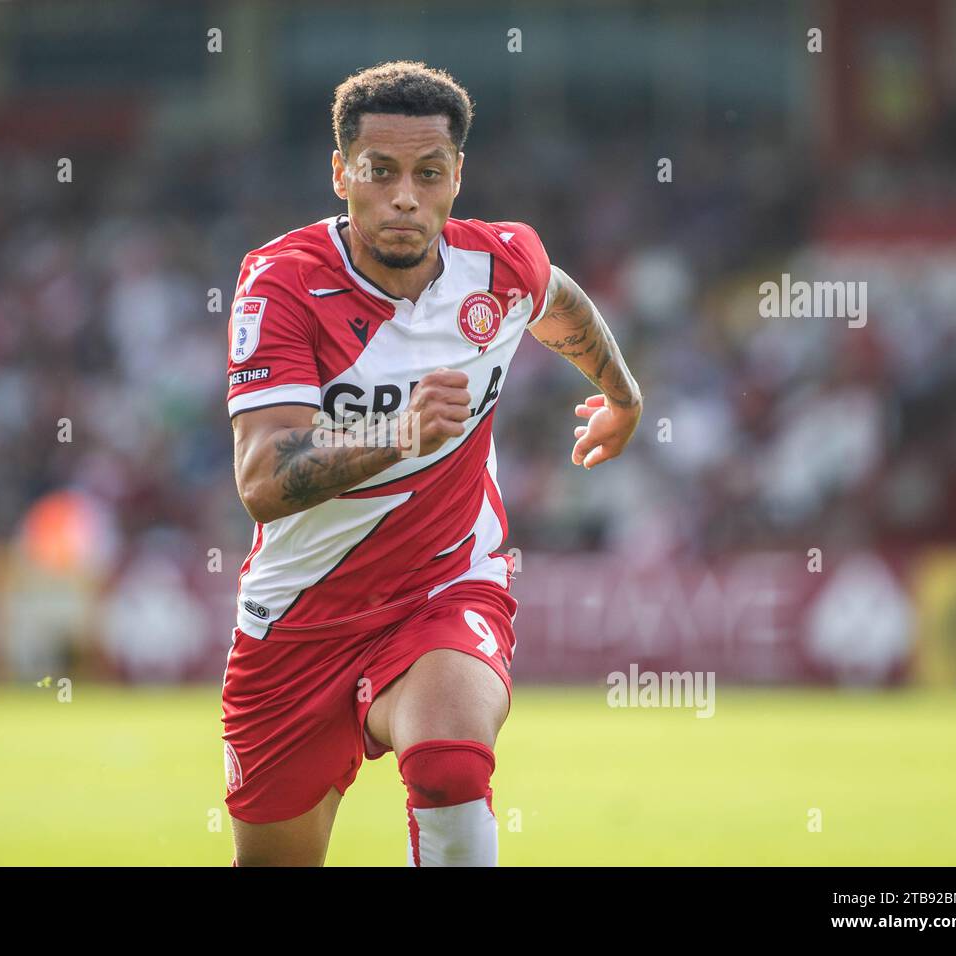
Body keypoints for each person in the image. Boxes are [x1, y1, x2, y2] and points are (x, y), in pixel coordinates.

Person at [221, 60, 642, 866]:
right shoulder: (281, 283)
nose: (405, 196)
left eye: (429, 172)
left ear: (458, 178)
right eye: (379, 173)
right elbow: (264, 481)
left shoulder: (501, 262)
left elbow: (557, 303)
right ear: (341, 173)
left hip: (443, 588)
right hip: (297, 622)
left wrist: (624, 396)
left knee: (450, 762)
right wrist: (400, 433)